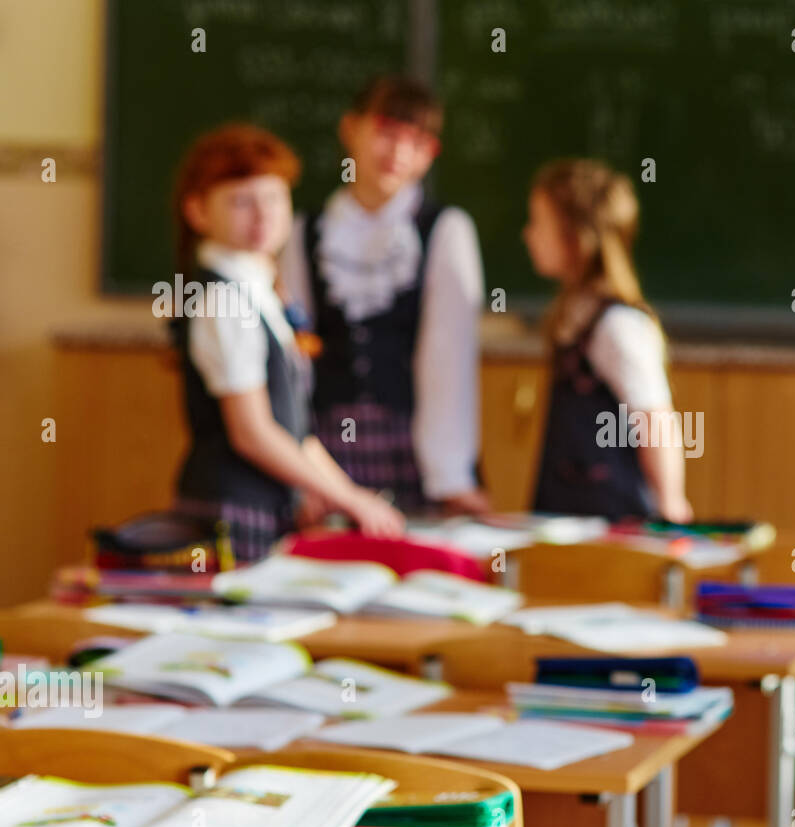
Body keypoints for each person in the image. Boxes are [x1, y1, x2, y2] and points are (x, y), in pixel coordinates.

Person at [169, 123, 404, 561]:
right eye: (241, 201)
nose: (263, 215)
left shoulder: (260, 288)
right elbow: (252, 433)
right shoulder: (224, 297)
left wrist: (348, 495)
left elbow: (294, 432)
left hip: (262, 512)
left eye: (274, 198)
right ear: (198, 212)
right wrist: (350, 501)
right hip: (232, 514)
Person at [280, 75, 488, 515]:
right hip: (327, 450)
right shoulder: (306, 232)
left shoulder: (445, 231)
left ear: (430, 155)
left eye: (416, 142)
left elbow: (448, 361)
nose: (397, 153)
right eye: (386, 134)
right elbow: (293, 358)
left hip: (417, 449)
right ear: (350, 129)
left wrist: (450, 476)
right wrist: (302, 470)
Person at [521, 158, 692, 522]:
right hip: (569, 522)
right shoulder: (576, 317)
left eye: (539, 223)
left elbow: (655, 421)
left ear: (574, 236)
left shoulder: (617, 325)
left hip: (614, 527)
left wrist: (671, 506)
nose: (528, 234)